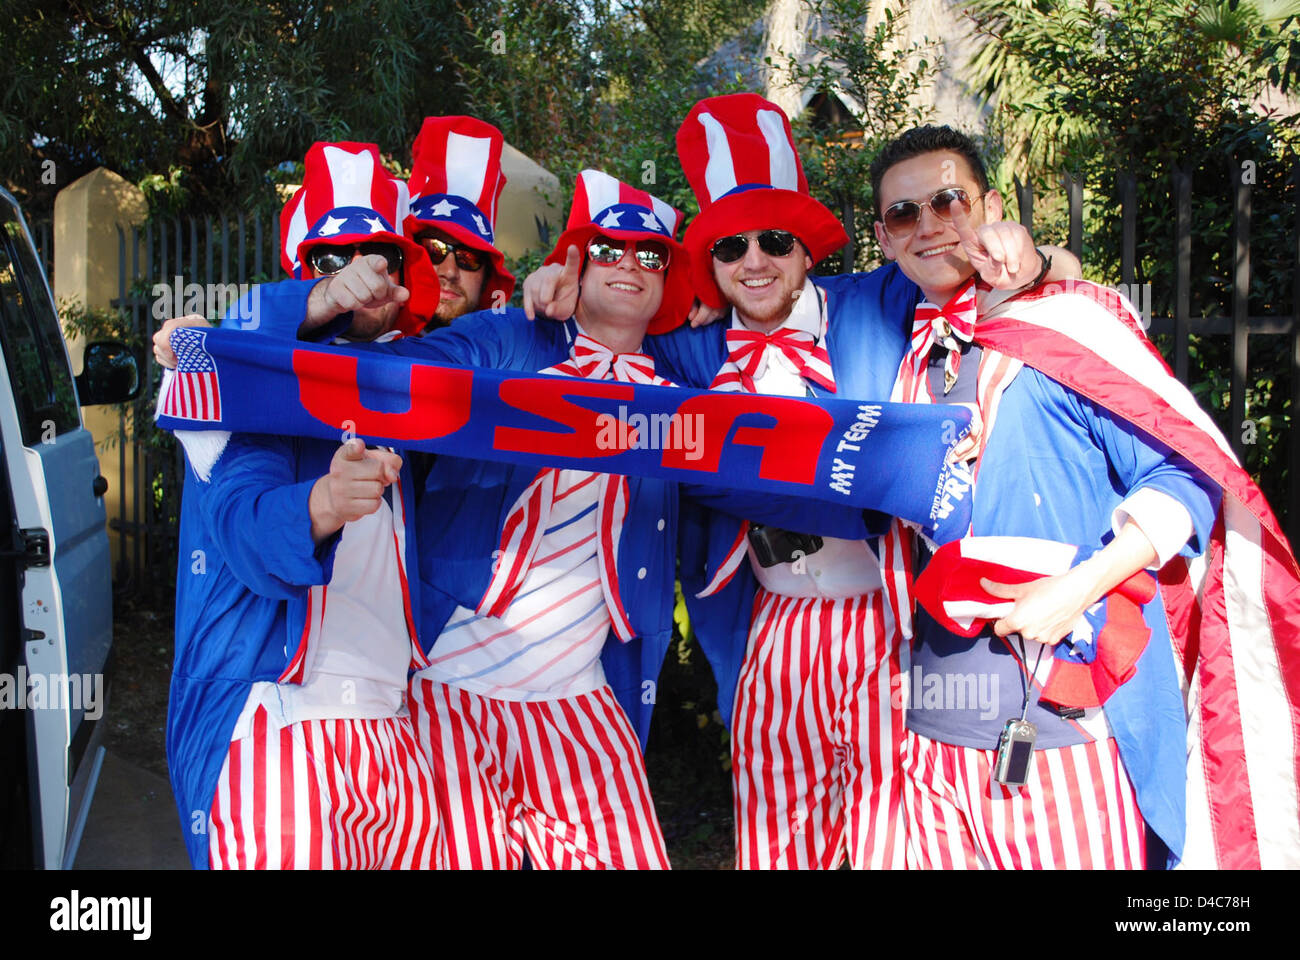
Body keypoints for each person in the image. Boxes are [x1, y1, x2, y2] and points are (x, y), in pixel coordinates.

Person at [158, 168, 883, 869]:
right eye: (605, 248)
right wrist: (240, 332)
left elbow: (798, 332)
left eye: (649, 254)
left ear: (670, 275)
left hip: (575, 697)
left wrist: (887, 500)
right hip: (444, 690)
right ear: (574, 261)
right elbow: (399, 364)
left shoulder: (681, 374)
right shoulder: (511, 341)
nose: (626, 264)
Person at [523, 92, 1079, 870]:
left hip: (888, 624)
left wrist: (1046, 258)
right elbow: (604, 340)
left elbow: (978, 276)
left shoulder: (873, 304)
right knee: (779, 838)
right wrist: (548, 294)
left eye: (775, 241)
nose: (754, 262)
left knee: (902, 843)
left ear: (807, 251)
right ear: (710, 264)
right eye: (730, 248)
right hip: (774, 624)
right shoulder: (691, 353)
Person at [868, 124, 1300, 869]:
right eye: (905, 214)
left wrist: (1076, 590)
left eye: (948, 201)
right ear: (883, 237)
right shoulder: (903, 354)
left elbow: (1183, 480)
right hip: (936, 728)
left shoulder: (1073, 323)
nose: (929, 226)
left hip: (1064, 720)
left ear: (991, 207)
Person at [165, 141, 443, 869]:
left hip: (393, 738)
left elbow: (501, 348)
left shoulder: (408, 380)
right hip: (281, 736)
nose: (360, 274)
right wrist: (320, 504)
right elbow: (242, 527)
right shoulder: (241, 376)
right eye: (331, 261)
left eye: (380, 257)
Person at [404, 115, 516, 324]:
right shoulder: (355, 340)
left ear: (486, 277)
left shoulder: (505, 353)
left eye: (469, 258)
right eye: (433, 249)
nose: (450, 272)